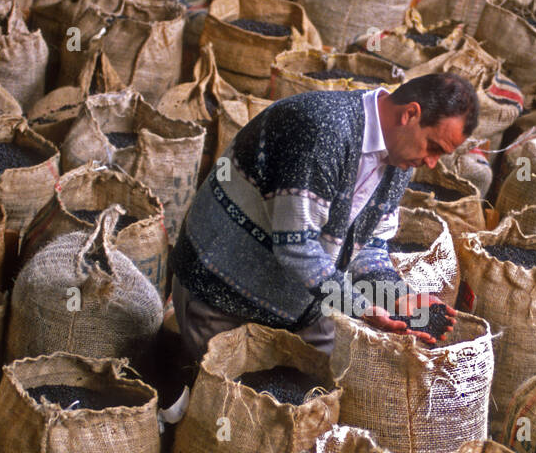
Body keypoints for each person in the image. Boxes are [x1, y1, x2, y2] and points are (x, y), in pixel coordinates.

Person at [170, 72, 478, 368]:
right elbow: (296, 246)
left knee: (321, 395)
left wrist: (396, 297)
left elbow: (370, 247)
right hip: (221, 294)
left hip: (300, 302)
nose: (431, 163)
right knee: (231, 409)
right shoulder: (322, 130)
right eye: (434, 147)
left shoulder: (399, 161)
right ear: (410, 114)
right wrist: (360, 307)